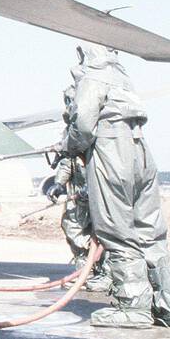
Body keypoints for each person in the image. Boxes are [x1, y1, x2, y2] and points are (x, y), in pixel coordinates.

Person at [64, 44, 170, 328]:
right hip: (140, 150)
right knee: (151, 232)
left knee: (115, 230)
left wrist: (68, 146)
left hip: (111, 150)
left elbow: (83, 124)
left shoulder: (93, 78)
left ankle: (133, 306)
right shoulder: (123, 79)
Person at [48, 85, 111, 292]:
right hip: (78, 192)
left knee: (107, 234)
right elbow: (68, 160)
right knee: (72, 226)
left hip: (102, 191)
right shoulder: (72, 131)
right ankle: (85, 270)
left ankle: (107, 273)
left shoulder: (103, 127)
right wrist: (58, 183)